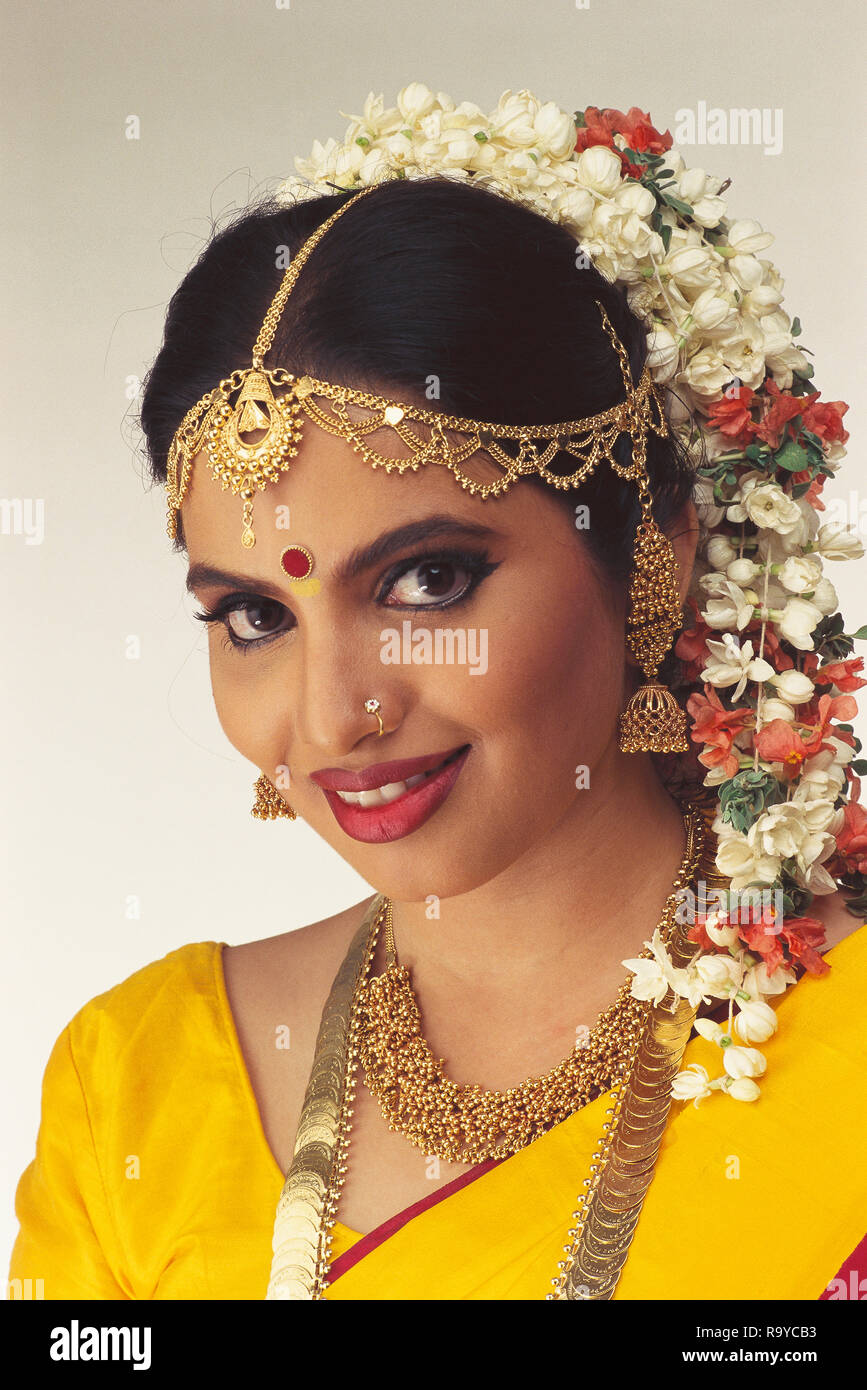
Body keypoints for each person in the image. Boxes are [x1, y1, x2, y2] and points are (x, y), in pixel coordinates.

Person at [9, 90, 867, 1301]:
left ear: (654, 559)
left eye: (427, 580)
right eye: (254, 616)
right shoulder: (137, 1082)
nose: (329, 717)